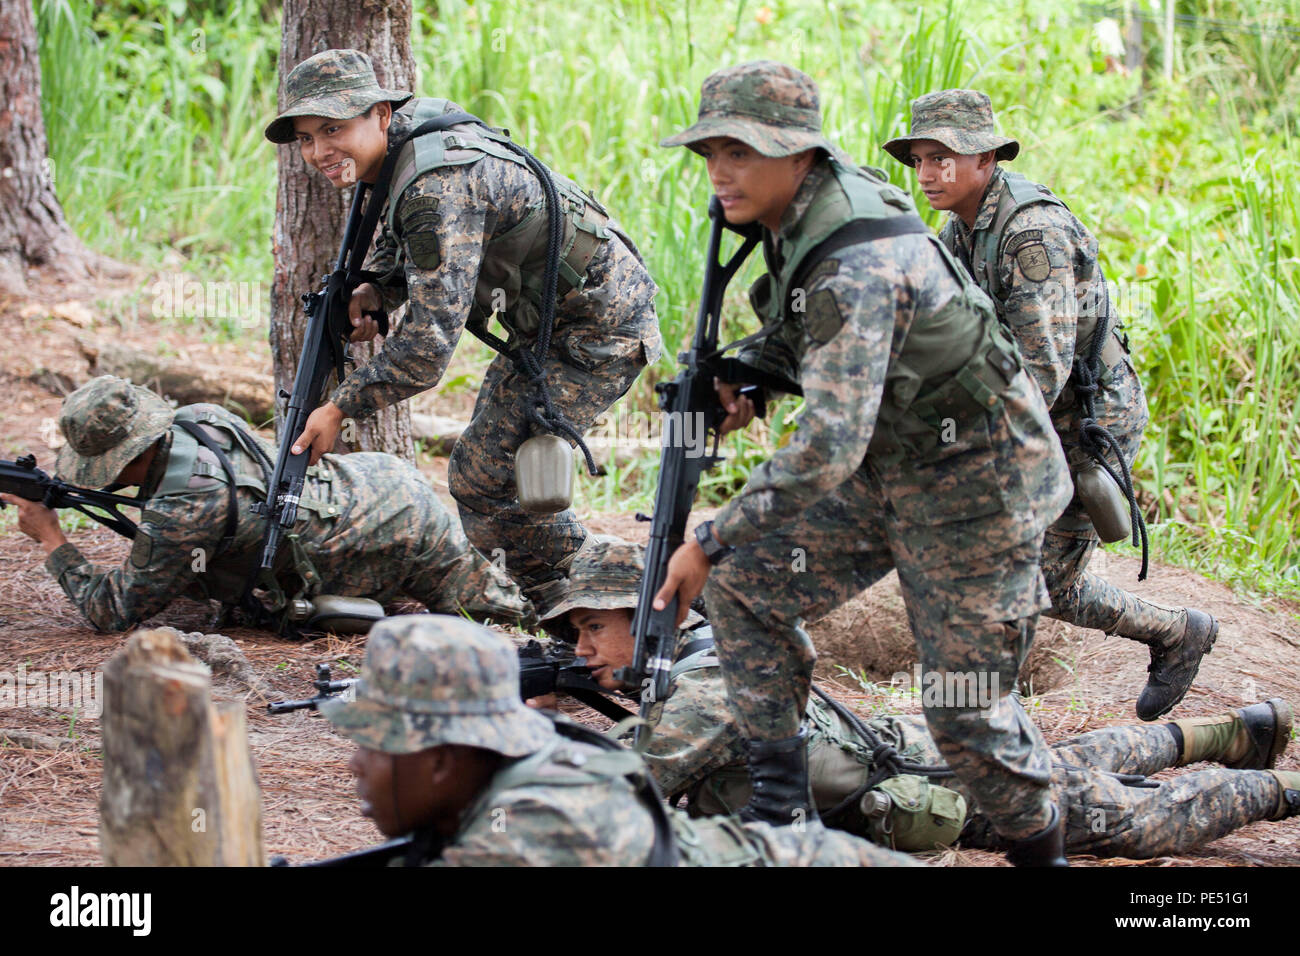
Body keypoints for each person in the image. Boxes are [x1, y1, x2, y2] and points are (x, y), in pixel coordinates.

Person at [653, 60, 1076, 865]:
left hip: (979, 486)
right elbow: (810, 340)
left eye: (739, 152)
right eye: (709, 152)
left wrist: (709, 537)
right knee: (747, 587)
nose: (719, 172)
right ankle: (783, 810)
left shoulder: (856, 259)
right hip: (890, 466)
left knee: (963, 714)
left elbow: (828, 445)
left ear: (796, 154)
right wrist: (746, 373)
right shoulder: (797, 223)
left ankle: (1040, 857)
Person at [539, 539, 1300, 859]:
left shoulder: (711, 689)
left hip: (955, 785)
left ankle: (1277, 788)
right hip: (936, 752)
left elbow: (624, 789)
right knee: (1074, 760)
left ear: (656, 616)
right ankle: (1233, 732)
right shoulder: (710, 664)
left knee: (1145, 822)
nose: (582, 650)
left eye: (594, 629)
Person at [263, 49, 662, 603]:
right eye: (306, 138)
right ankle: (566, 615)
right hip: (549, 328)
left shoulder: (437, 182)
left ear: (380, 113)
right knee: (485, 480)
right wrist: (377, 286)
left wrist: (339, 408)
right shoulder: (399, 148)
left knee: (488, 483)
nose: (319, 151)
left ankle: (636, 596)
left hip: (599, 328)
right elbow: (408, 245)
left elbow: (426, 350)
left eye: (332, 129)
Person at [882, 89, 1217, 721]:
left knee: (1028, 578)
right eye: (920, 159)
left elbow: (1040, 373)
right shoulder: (960, 228)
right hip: (1026, 414)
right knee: (1041, 584)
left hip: (1085, 424)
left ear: (985, 159)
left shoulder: (1031, 236)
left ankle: (983, 716)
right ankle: (1176, 632)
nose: (927, 174)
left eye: (942, 158)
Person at [316, 613, 924, 866]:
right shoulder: (513, 774)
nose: (354, 768)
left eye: (374, 745)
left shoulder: (526, 826)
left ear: (446, 760)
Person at [0, 376, 526, 633]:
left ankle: (593, 611)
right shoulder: (195, 419)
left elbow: (111, 610)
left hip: (392, 533)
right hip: (374, 478)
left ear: (125, 454)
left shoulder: (184, 511)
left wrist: (52, 539)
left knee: (513, 612)